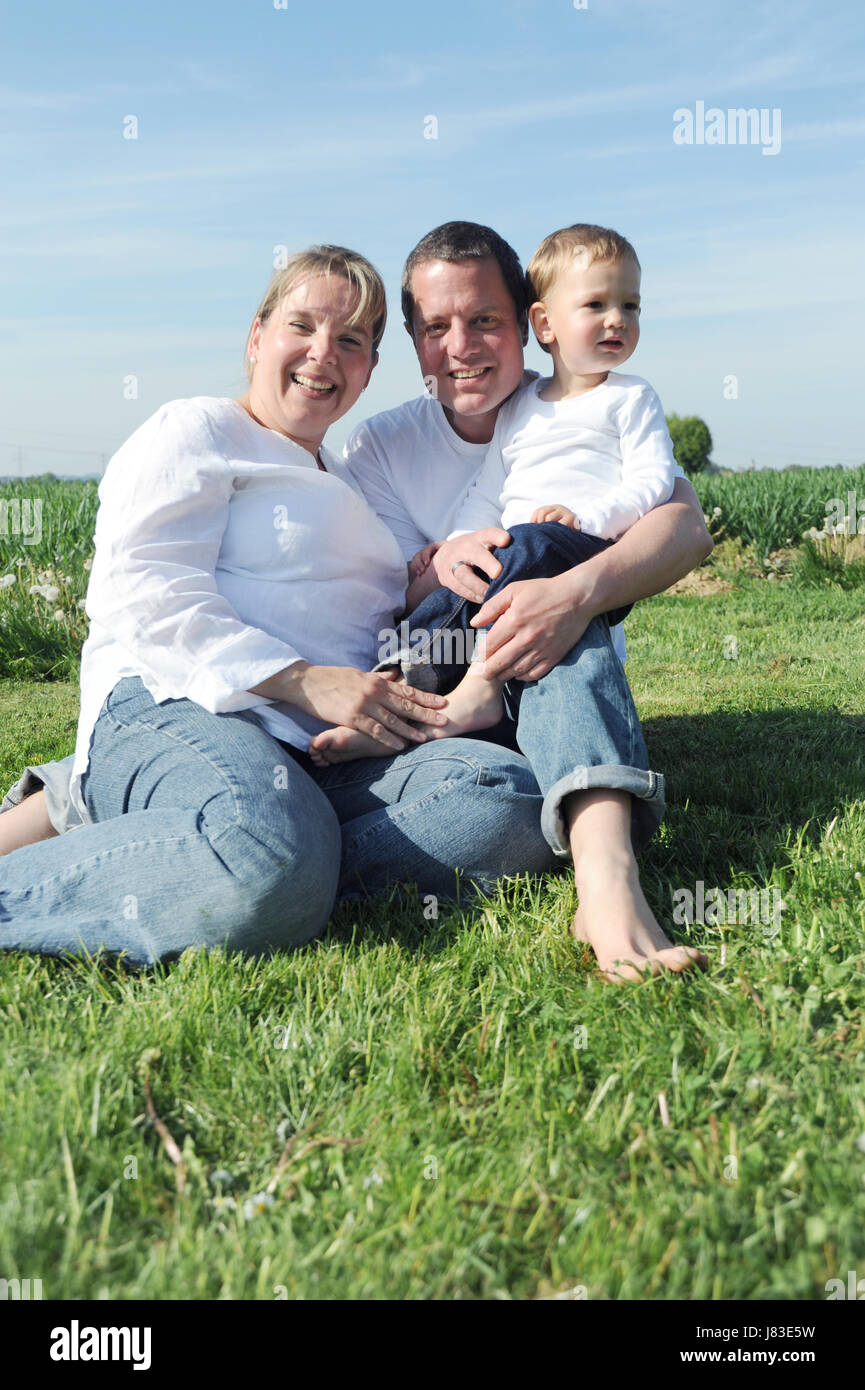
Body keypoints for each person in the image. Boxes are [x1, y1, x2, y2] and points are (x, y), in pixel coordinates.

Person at [1, 223, 713, 982]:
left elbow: (677, 520)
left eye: (349, 341)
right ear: (255, 335)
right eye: (302, 327)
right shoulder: (201, 429)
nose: (322, 354)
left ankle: (223, 847)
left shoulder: (360, 474)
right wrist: (305, 679)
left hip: (318, 748)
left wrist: (483, 575)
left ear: (371, 365)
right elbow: (139, 589)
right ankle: (249, 857)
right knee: (268, 850)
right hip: (186, 704)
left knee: (508, 801)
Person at [309, 221, 676, 758]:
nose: (461, 347)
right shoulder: (380, 446)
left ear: (528, 328)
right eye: (436, 327)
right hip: (449, 673)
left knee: (546, 597)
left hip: (559, 661)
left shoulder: (584, 406)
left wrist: (575, 591)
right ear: (413, 339)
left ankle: (599, 826)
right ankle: (409, 693)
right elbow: (390, 594)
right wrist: (448, 558)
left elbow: (684, 525)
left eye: (484, 320)